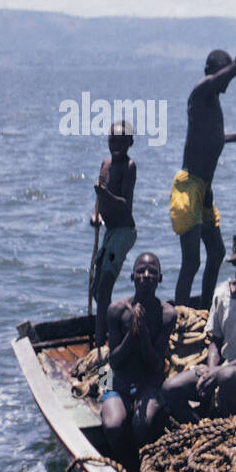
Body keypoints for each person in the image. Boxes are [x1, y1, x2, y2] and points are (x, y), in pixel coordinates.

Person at [171, 0, 236, 309]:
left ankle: (205, 309)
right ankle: (181, 317)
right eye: (223, 74)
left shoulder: (212, 103)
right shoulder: (202, 91)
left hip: (204, 190)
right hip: (188, 187)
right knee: (191, 260)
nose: (227, 80)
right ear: (212, 73)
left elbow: (213, 140)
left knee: (216, 254)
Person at [163, 229, 236, 421]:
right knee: (170, 389)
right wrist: (211, 369)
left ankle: (228, 424)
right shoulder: (222, 293)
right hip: (224, 365)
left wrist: (221, 372)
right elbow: (215, 341)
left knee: (227, 377)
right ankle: (199, 426)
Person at [101, 252, 175, 466]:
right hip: (114, 376)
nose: (146, 275)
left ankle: (142, 463)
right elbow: (113, 362)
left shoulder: (167, 314)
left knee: (142, 425)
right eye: (140, 271)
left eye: (152, 271)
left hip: (149, 378)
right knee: (114, 426)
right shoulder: (116, 310)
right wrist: (131, 334)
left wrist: (143, 335)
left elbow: (156, 365)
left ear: (159, 278)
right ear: (132, 277)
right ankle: (124, 462)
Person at [92, 121, 138, 349]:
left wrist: (106, 195)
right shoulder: (105, 164)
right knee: (95, 289)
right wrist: (96, 215)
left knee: (104, 288)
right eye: (113, 141)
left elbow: (124, 205)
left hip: (124, 232)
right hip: (109, 231)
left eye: (122, 141)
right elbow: (99, 196)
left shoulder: (129, 166)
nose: (116, 146)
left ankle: (101, 344)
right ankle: (112, 329)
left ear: (130, 142)